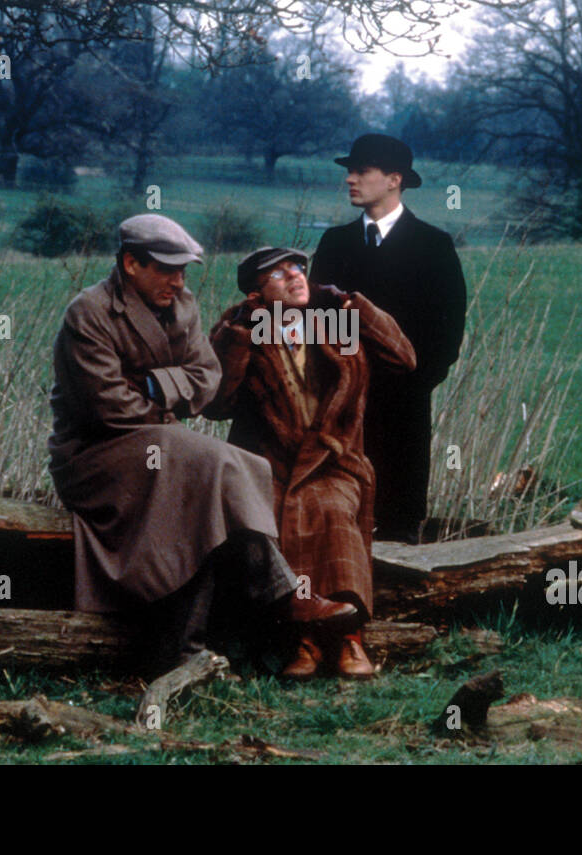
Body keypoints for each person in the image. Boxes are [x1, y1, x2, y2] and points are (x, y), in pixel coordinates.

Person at [47, 214, 358, 678]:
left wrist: (152, 384)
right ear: (131, 263)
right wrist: (170, 398)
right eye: (167, 269)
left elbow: (206, 381)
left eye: (184, 270)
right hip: (95, 457)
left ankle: (186, 647)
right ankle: (278, 589)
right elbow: (107, 407)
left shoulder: (182, 305)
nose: (178, 281)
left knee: (211, 478)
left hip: (162, 449)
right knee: (205, 458)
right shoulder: (88, 313)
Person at [206, 246, 416, 679]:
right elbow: (215, 404)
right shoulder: (244, 332)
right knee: (274, 517)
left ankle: (349, 639)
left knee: (334, 509)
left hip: (335, 460)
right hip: (270, 465)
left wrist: (353, 304)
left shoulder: (333, 324)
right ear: (256, 293)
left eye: (298, 268)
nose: (296, 276)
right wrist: (240, 334)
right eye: (279, 275)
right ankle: (303, 641)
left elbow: (404, 358)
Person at [310, 134, 467, 544]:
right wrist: (344, 377)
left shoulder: (433, 246)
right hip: (338, 407)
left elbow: (445, 335)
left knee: (397, 523)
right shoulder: (334, 243)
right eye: (349, 171)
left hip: (403, 410)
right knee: (336, 517)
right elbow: (315, 322)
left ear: (394, 179)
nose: (350, 179)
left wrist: (409, 383)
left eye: (362, 171)